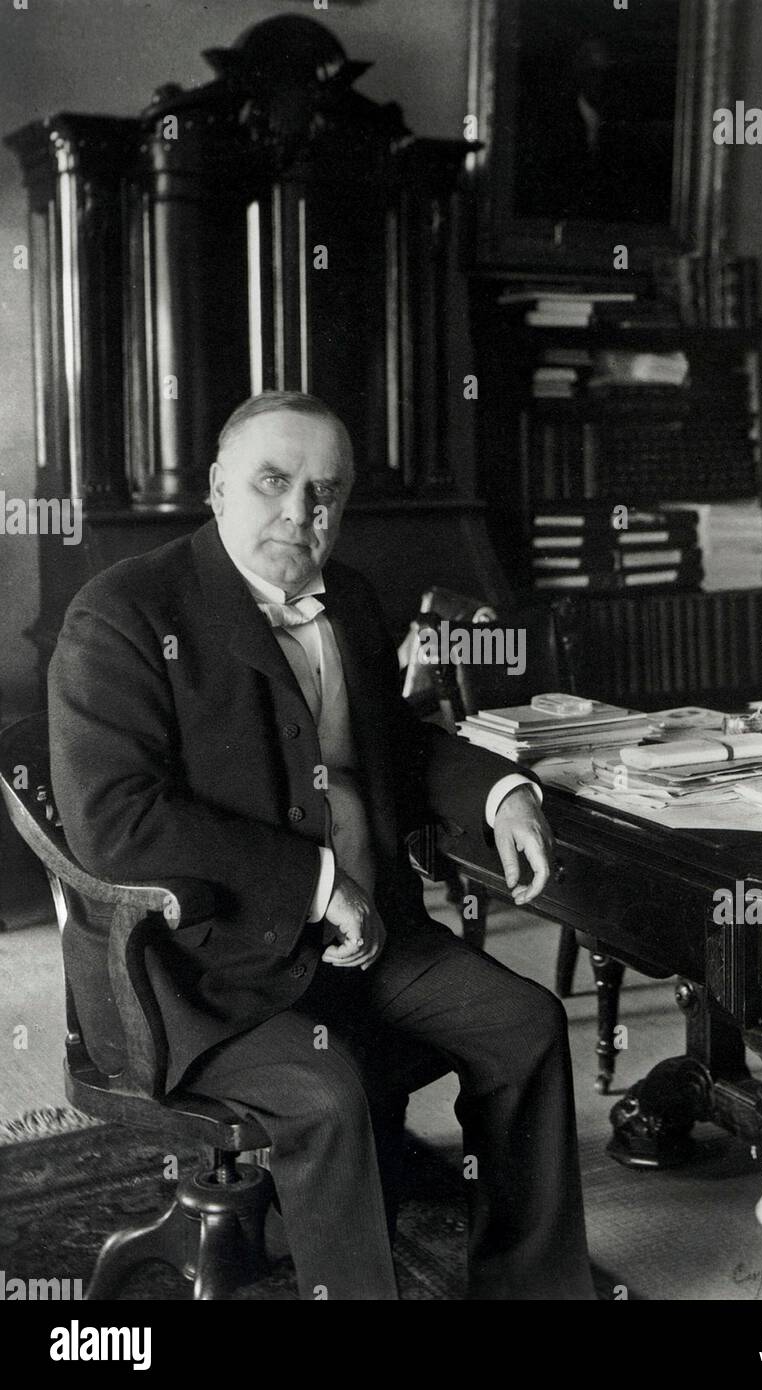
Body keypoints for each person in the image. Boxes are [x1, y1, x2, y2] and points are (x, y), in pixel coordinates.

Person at [47, 390, 596, 1301]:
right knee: (331, 1095)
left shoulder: (351, 601)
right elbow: (117, 819)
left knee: (524, 1025)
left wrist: (502, 795)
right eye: (274, 481)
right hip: (196, 971)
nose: (302, 512)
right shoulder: (123, 611)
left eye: (326, 492)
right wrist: (314, 884)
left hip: (370, 942)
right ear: (219, 488)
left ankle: (533, 1289)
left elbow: (403, 743)